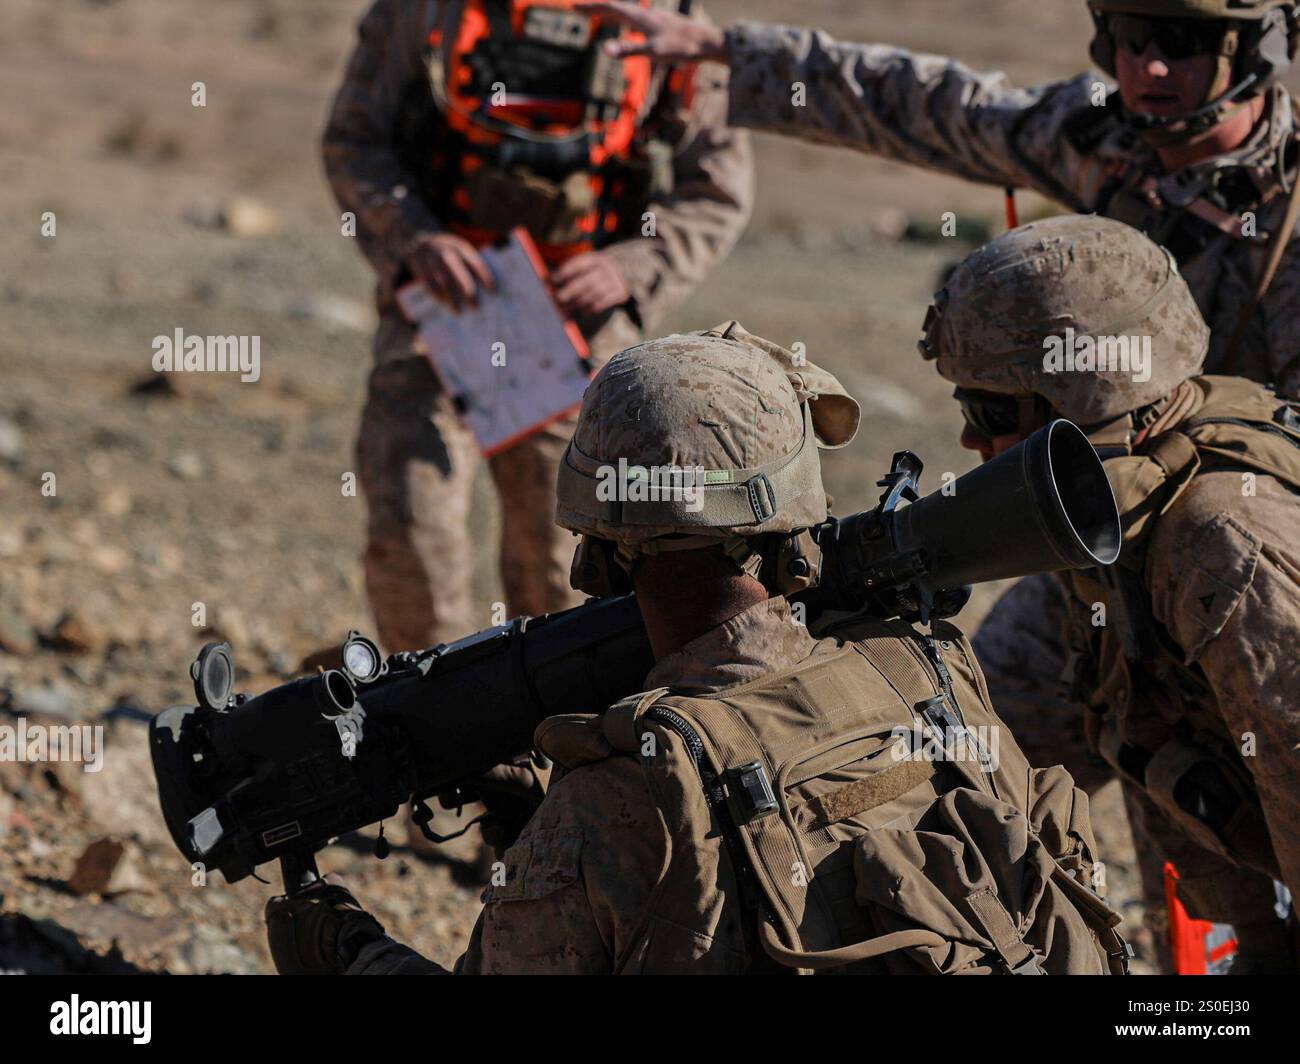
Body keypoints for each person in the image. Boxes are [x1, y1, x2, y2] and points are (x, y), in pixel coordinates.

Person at [264, 323, 1126, 975]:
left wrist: (352, 954)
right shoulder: (927, 666)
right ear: (797, 517)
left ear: (598, 545)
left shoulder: (615, 799)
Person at [920, 213, 1300, 972]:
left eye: (988, 413)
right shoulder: (1123, 491)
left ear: (1075, 406)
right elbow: (1153, 723)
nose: (968, 442)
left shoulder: (1219, 542)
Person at [323, 0, 753, 654]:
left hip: (578, 329)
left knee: (571, 558)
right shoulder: (427, 11)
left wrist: (634, 265)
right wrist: (415, 240)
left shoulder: (664, 17)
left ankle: (556, 734)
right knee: (412, 520)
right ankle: (433, 725)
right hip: (442, 314)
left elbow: (716, 190)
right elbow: (355, 141)